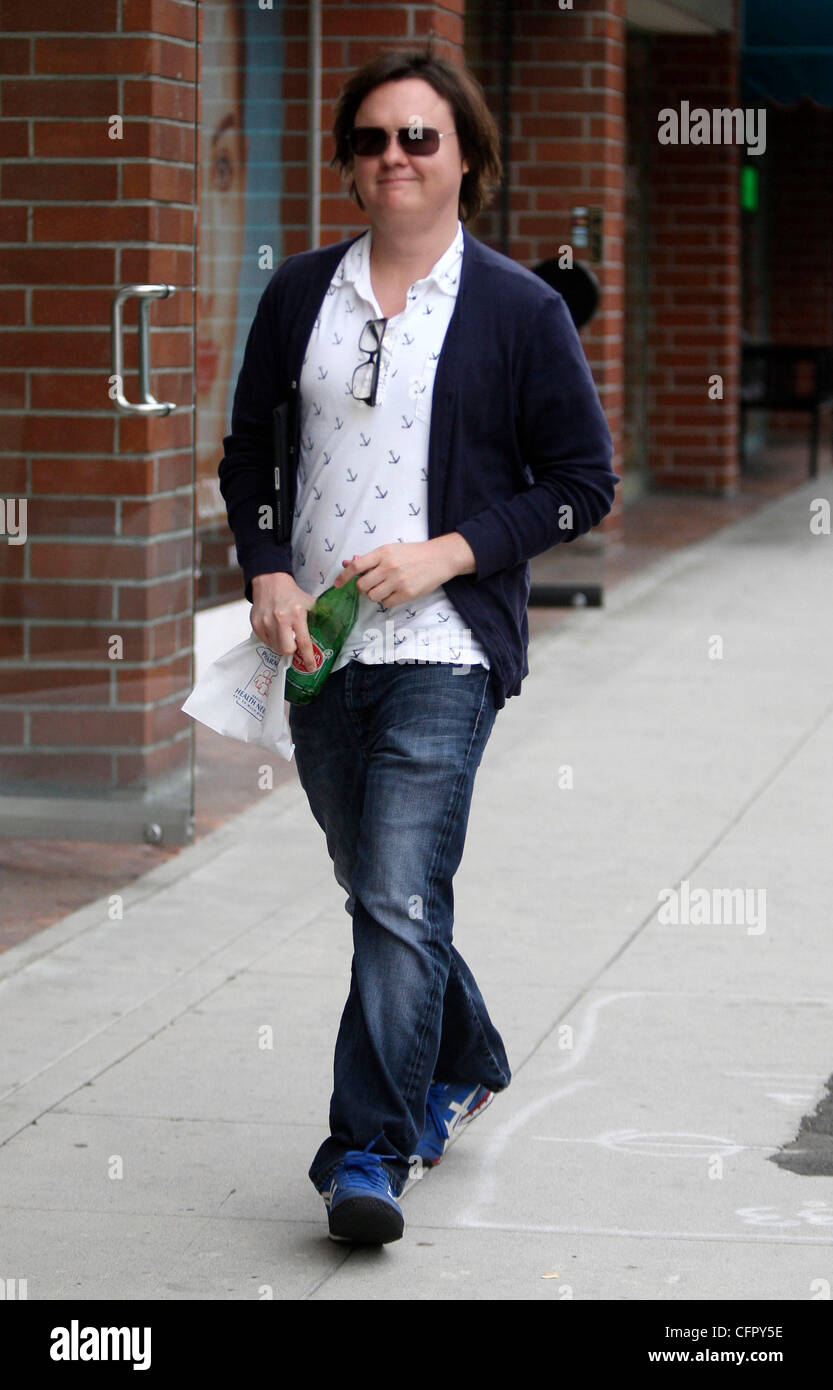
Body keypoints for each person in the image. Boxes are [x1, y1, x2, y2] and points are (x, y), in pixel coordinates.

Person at [219, 44, 618, 1246]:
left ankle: (369, 1151)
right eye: (370, 138)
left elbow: (580, 483)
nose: (392, 155)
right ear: (347, 164)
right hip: (320, 651)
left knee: (395, 891)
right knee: (377, 889)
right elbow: (249, 454)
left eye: (418, 138)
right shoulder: (301, 294)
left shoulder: (517, 307)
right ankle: (470, 1049)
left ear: (465, 161)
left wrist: (447, 552)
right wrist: (269, 565)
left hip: (445, 642)